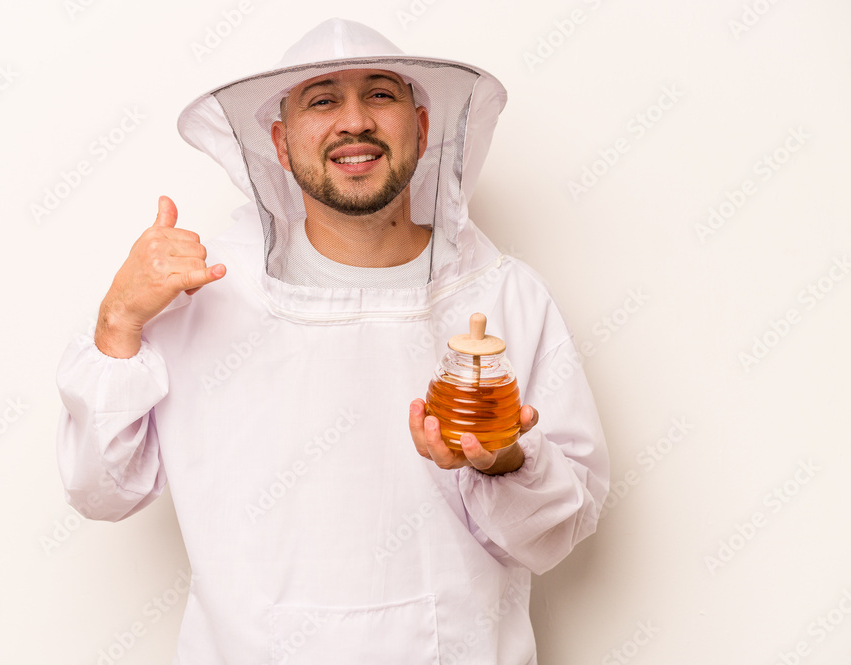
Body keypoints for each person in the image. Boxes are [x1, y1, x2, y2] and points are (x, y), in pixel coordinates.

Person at [56, 18, 608, 665]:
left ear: (422, 126)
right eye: (322, 100)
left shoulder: (504, 297)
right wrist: (117, 323)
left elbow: (557, 534)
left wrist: (504, 461)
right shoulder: (200, 295)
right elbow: (101, 491)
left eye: (380, 94)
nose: (354, 121)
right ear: (281, 143)